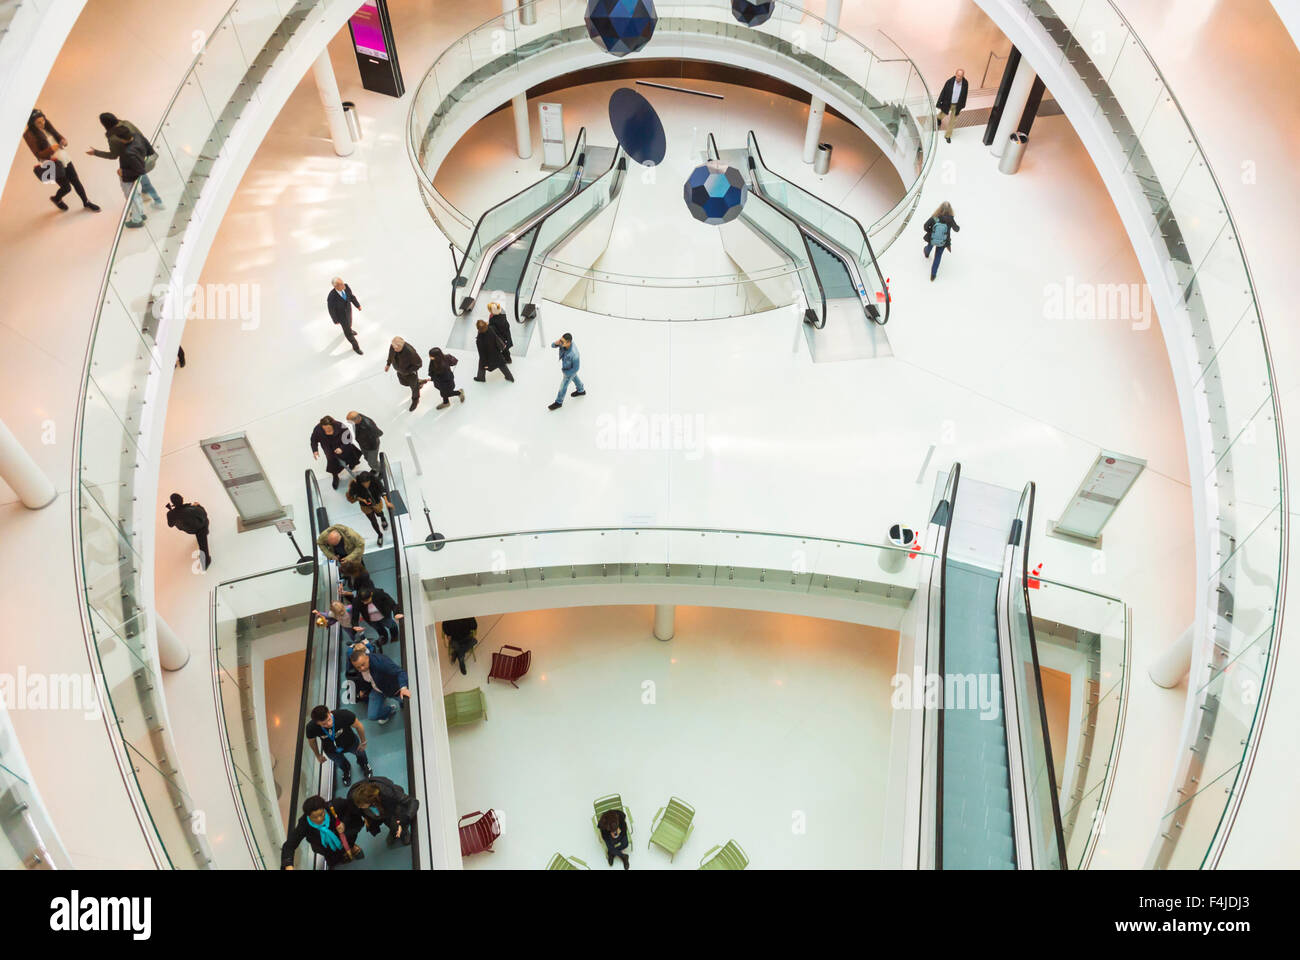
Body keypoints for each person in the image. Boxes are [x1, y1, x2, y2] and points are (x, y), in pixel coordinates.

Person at [23, 109, 100, 213]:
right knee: (66, 187)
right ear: (32, 124)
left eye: (43, 120)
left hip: (64, 158)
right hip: (53, 163)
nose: (42, 123)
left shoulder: (47, 125)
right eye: (39, 123)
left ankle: (86, 202)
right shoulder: (29, 135)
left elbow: (58, 136)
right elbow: (38, 154)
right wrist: (51, 149)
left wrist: (63, 141)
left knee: (76, 181)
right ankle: (56, 199)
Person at [85, 112, 163, 208]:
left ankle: (138, 213)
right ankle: (154, 199)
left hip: (129, 163)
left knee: (129, 187)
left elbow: (113, 155)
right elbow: (140, 135)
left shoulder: (113, 137)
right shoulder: (126, 123)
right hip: (141, 154)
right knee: (144, 178)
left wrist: (96, 152)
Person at [280, 795, 363, 869]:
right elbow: (289, 846)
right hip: (324, 847)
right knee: (335, 858)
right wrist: (288, 865)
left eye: (321, 814)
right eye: (314, 817)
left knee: (348, 840)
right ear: (308, 815)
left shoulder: (333, 806)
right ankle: (343, 855)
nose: (319, 819)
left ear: (324, 808)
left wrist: (344, 823)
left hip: (342, 835)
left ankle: (351, 847)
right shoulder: (304, 824)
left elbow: (350, 806)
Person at [305, 704, 372, 787]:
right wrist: (318, 755)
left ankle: (364, 764)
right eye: (324, 724)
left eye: (329, 719)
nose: (329, 724)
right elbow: (312, 741)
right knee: (340, 762)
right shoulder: (311, 728)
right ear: (317, 723)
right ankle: (346, 770)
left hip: (350, 742)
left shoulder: (344, 715)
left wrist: (363, 742)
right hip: (331, 750)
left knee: (361, 754)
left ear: (329, 713)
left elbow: (359, 726)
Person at [347, 640, 410, 724]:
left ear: (367, 657)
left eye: (363, 664)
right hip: (377, 689)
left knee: (405, 704)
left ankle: (402, 705)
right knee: (372, 715)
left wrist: (403, 688)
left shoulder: (381, 663)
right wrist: (363, 690)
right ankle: (390, 710)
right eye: (358, 667)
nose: (361, 668)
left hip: (394, 689)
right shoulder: (358, 665)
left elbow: (400, 672)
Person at [348, 776, 419, 847]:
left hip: (394, 807)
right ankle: (393, 831)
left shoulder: (387, 793)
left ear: (369, 800)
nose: (359, 807)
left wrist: (406, 817)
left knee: (396, 822)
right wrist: (367, 819)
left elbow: (413, 802)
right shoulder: (355, 798)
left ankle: (404, 833)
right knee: (388, 822)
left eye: (361, 805)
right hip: (382, 812)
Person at [112, 123, 155, 228]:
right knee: (136, 195)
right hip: (134, 172)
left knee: (131, 197)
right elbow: (150, 150)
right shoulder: (137, 136)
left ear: (121, 139)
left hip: (128, 177)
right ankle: (140, 213)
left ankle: (137, 220)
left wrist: (123, 173)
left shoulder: (128, 152)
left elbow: (140, 171)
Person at [310, 415, 363, 490]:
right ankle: (335, 477)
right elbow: (313, 440)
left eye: (328, 428)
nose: (326, 431)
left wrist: (342, 448)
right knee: (333, 464)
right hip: (329, 450)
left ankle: (352, 464)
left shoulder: (341, 427)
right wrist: (315, 450)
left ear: (333, 424)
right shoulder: (318, 429)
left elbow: (348, 439)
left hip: (343, 447)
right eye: (324, 428)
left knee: (351, 457)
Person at [164, 493, 211, 569]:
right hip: (200, 527)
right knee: (203, 541)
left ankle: (204, 561)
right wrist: (198, 506)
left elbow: (170, 525)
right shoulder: (192, 509)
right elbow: (204, 514)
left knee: (201, 540)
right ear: (182, 499)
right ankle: (205, 562)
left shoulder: (170, 514)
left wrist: (172, 512)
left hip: (189, 530)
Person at [346, 469, 393, 544]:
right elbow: (353, 495)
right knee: (373, 520)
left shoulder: (375, 480)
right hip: (365, 505)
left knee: (379, 512)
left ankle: (383, 519)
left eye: (367, 483)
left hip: (376, 501)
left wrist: (387, 502)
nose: (366, 485)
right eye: (363, 484)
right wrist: (362, 500)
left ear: (370, 480)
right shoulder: (355, 483)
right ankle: (379, 535)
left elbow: (382, 491)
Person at [350, 585, 403, 650]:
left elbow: (391, 602)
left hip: (384, 615)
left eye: (367, 600)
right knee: (379, 629)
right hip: (371, 620)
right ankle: (384, 638)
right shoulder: (356, 601)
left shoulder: (379, 593)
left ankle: (394, 636)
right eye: (363, 601)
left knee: (391, 625)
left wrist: (396, 613)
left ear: (371, 594)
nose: (365, 603)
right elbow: (355, 615)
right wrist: (355, 625)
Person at [386, 336, 428, 411]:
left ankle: (415, 399)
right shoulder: (394, 346)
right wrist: (388, 364)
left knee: (414, 388)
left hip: (410, 373)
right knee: (403, 383)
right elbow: (391, 354)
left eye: (396, 348)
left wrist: (408, 371)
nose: (394, 349)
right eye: (393, 347)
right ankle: (419, 382)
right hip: (400, 371)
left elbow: (419, 364)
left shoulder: (410, 352)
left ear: (401, 346)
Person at [922, 202, 960, 281]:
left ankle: (926, 253)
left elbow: (925, 226)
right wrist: (957, 226)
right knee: (938, 256)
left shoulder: (935, 217)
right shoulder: (950, 219)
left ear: (940, 208)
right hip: (943, 241)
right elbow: (956, 229)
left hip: (932, 238)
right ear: (950, 210)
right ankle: (933, 275)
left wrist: (931, 232)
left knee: (929, 247)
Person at [547, 333, 586, 411]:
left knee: (563, 386)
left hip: (569, 371)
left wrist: (566, 373)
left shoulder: (575, 354)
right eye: (560, 340)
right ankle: (581, 390)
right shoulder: (563, 343)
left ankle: (558, 402)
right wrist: (556, 342)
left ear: (569, 343)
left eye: (562, 342)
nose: (560, 343)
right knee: (574, 377)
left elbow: (576, 369)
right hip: (567, 368)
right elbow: (552, 345)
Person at [327, 277, 364, 355]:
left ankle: (349, 329)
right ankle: (356, 347)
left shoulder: (346, 287)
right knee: (348, 333)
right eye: (340, 284)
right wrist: (335, 320)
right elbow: (331, 310)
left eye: (342, 282)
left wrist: (358, 306)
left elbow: (351, 297)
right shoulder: (331, 296)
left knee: (350, 323)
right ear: (335, 286)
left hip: (348, 311)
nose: (343, 285)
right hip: (341, 316)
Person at [473, 319, 515, 383]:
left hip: (487, 356)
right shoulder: (490, 329)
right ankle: (509, 377)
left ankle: (481, 378)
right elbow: (496, 338)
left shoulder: (479, 340)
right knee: (502, 364)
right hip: (496, 352)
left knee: (481, 366)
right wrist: (502, 346)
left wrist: (485, 364)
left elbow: (482, 354)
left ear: (478, 329)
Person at [935, 69, 968, 144]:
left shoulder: (965, 83)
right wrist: (939, 103)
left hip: (957, 105)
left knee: (952, 121)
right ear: (955, 74)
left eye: (961, 76)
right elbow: (943, 92)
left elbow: (965, 95)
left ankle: (948, 136)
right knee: (943, 113)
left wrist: (963, 105)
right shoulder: (949, 82)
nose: (959, 77)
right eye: (958, 75)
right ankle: (938, 118)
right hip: (948, 103)